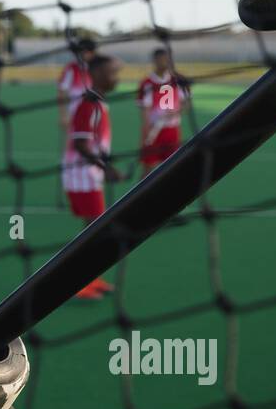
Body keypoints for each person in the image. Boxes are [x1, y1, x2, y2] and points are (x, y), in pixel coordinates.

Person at [63, 55, 126, 300]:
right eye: (111, 73)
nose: (115, 78)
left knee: (93, 229)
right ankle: (78, 283)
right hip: (82, 176)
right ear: (97, 74)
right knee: (93, 231)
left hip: (89, 174)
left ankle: (90, 278)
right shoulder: (88, 103)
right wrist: (105, 167)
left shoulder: (98, 102)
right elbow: (80, 144)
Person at [137, 47, 190, 176]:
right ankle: (143, 195)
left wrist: (176, 112)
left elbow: (186, 103)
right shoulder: (147, 83)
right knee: (148, 170)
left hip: (172, 131)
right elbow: (145, 109)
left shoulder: (177, 80)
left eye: (167, 60)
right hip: (154, 130)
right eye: (161, 60)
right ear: (155, 61)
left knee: (173, 168)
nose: (165, 63)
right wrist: (148, 130)